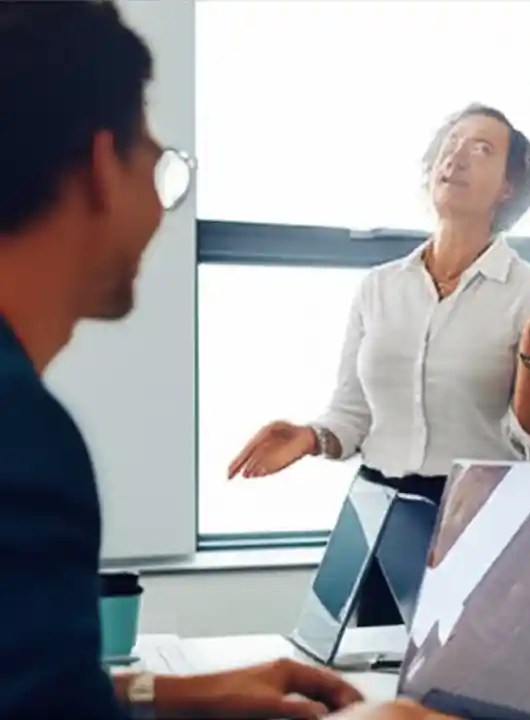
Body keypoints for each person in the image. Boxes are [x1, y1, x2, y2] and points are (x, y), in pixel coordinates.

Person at [0, 2, 441, 718]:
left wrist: (186, 694)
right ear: (102, 169)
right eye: (161, 170)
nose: (161, 210)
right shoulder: (23, 440)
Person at [227, 102, 530, 625]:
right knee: (374, 669)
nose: (457, 156)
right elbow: (353, 416)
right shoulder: (379, 287)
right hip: (380, 514)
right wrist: (310, 437)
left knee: (472, 669)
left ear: (507, 187)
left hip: (478, 519)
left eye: (482, 149)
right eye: (451, 143)